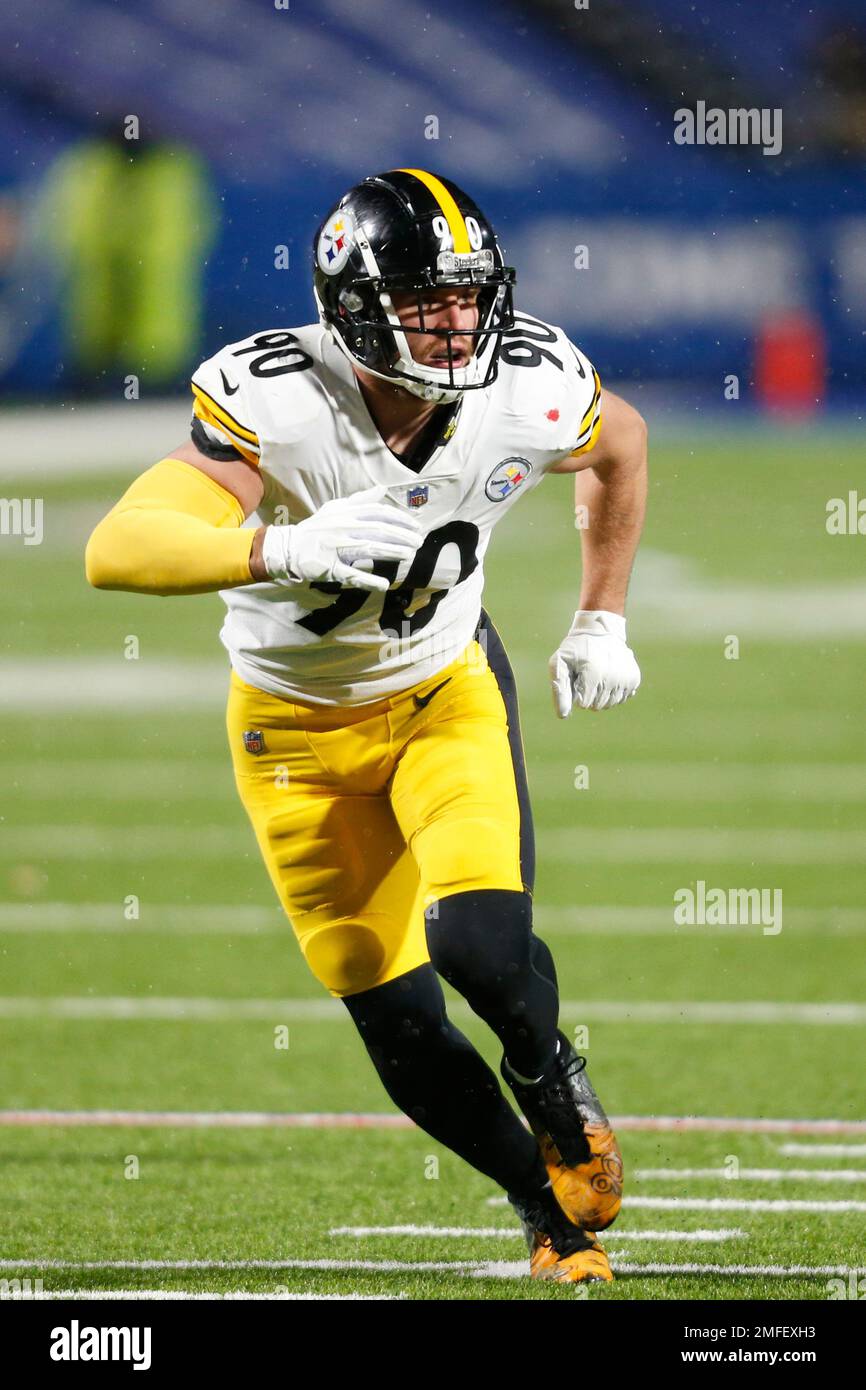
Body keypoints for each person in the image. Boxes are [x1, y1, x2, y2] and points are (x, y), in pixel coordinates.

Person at [86, 168, 647, 1284]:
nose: (457, 324)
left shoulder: (528, 383)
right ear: (350, 309)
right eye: (426, 301)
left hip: (442, 689)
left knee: (480, 950)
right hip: (292, 734)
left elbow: (619, 442)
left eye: (469, 296)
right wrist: (275, 546)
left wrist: (601, 616)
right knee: (390, 1010)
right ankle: (545, 1215)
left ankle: (545, 1067)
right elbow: (117, 547)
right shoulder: (281, 401)